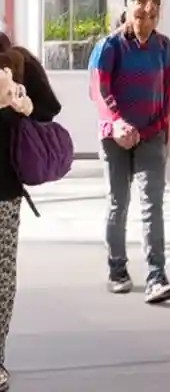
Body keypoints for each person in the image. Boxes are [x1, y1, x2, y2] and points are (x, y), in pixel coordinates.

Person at [89, 0, 170, 304]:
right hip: (114, 137)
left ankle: (157, 275)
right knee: (118, 202)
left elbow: (167, 93)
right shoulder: (109, 47)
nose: (146, 15)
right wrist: (118, 123)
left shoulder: (165, 47)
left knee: (152, 204)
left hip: (151, 136)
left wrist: (157, 129)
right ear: (127, 8)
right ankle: (117, 269)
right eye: (140, 8)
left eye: (153, 10)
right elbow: (99, 91)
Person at [0, 27, 61, 390]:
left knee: (1, 281)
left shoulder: (15, 60)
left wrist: (21, 101)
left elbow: (50, 109)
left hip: (3, 193)